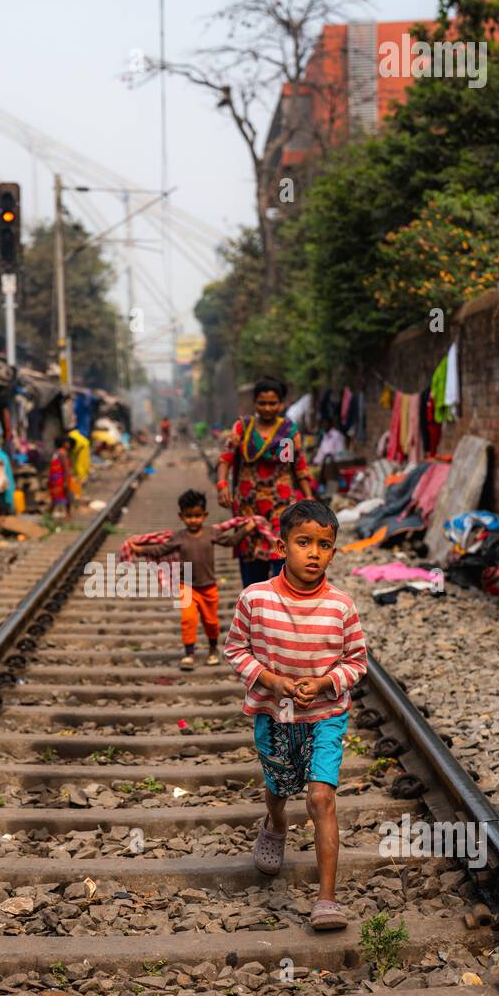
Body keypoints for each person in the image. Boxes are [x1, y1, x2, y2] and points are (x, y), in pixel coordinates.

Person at [223, 500, 367, 931]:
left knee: (321, 797)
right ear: (281, 545)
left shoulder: (341, 607)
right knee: (278, 786)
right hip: (274, 712)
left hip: (326, 715)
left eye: (324, 545)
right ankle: (276, 822)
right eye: (303, 542)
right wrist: (271, 679)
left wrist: (324, 683)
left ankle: (326, 899)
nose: (314, 553)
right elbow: (235, 650)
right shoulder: (256, 598)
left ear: (334, 552)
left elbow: (357, 662)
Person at [122, 489, 254, 672]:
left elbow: (230, 541)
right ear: (181, 516)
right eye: (189, 516)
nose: (193, 520)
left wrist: (245, 531)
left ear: (205, 515)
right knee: (188, 619)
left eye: (197, 516)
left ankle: (212, 648)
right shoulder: (179, 537)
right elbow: (161, 550)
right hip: (187, 586)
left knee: (211, 622)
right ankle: (189, 653)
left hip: (208, 586)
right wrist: (140, 550)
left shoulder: (211, 533)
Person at [216, 378, 313, 589]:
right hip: (248, 508)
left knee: (283, 561)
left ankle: (280, 615)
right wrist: (222, 485)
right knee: (252, 570)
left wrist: (309, 496)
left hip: (282, 507)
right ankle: (255, 614)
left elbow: (299, 466)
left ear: (281, 404)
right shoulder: (243, 428)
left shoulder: (288, 430)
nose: (267, 408)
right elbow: (226, 458)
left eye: (272, 403)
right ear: (254, 403)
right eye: (262, 403)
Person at [48, 436, 74, 518]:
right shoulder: (62, 453)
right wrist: (66, 481)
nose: (69, 445)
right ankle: (67, 513)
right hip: (59, 478)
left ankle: (67, 513)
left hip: (58, 478)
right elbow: (66, 468)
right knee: (64, 495)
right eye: (67, 443)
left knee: (62, 495)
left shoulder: (59, 452)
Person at [68, 430, 90, 502]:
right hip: (79, 449)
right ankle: (78, 495)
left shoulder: (80, 443)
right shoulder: (74, 438)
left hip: (80, 449)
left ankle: (79, 495)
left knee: (79, 472)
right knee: (77, 474)